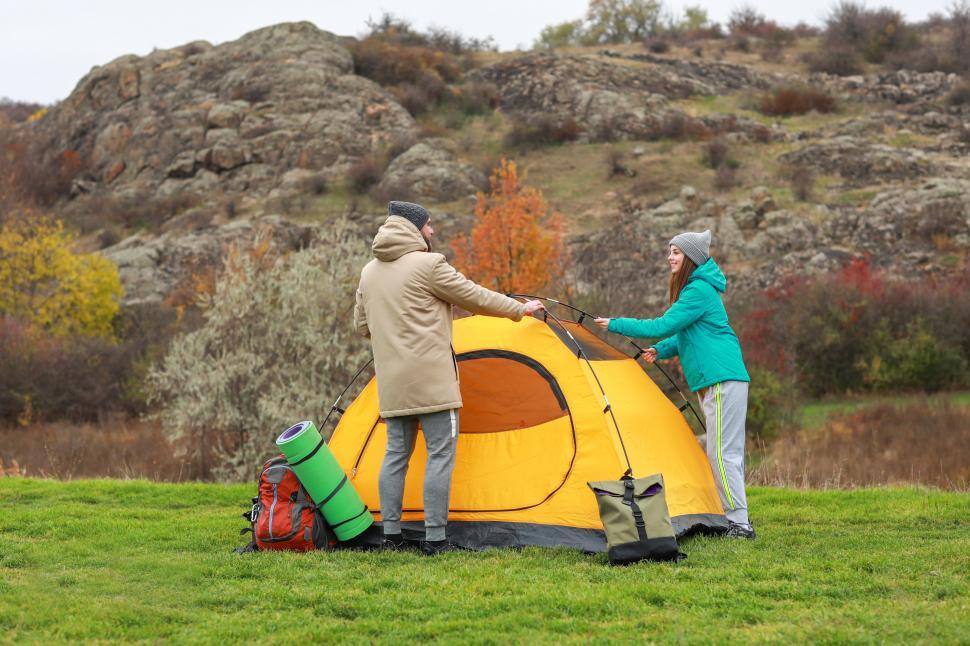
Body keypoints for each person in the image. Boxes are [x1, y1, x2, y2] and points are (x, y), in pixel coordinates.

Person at [354, 201, 544, 555]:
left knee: (396, 455)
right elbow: (473, 295)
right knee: (441, 455)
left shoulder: (369, 272)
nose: (432, 231)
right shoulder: (429, 265)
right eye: (428, 225)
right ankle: (436, 539)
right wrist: (519, 308)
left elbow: (361, 325)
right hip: (433, 382)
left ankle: (391, 536)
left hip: (393, 383)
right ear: (414, 228)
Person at [593, 230, 755, 539]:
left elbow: (663, 325)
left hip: (721, 378)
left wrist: (615, 324)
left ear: (691, 258)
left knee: (722, 455)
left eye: (676, 252)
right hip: (720, 379)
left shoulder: (698, 291)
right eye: (670, 251)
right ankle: (736, 518)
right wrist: (661, 350)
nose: (670, 256)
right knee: (725, 452)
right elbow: (684, 334)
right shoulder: (699, 291)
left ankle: (740, 524)